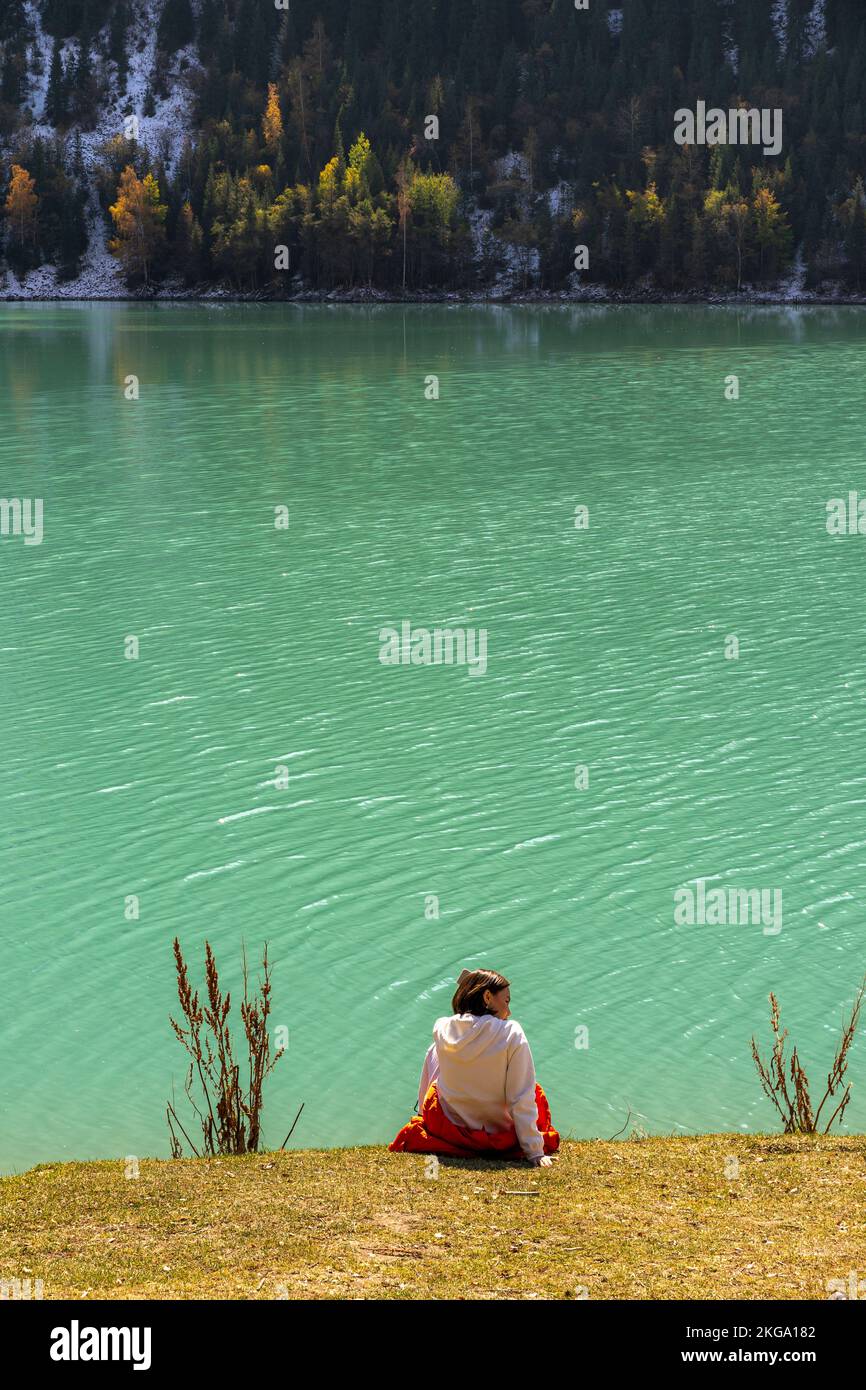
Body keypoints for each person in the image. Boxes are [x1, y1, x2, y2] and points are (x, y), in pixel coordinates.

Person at [389, 968, 559, 1166]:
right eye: (506, 1001)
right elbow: (520, 1098)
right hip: (499, 1136)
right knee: (533, 1091)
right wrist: (534, 1151)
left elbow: (468, 1022)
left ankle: (421, 1120)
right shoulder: (511, 1032)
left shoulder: (442, 1028)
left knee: (434, 1055)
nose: (509, 1011)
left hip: (451, 1132)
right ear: (487, 996)